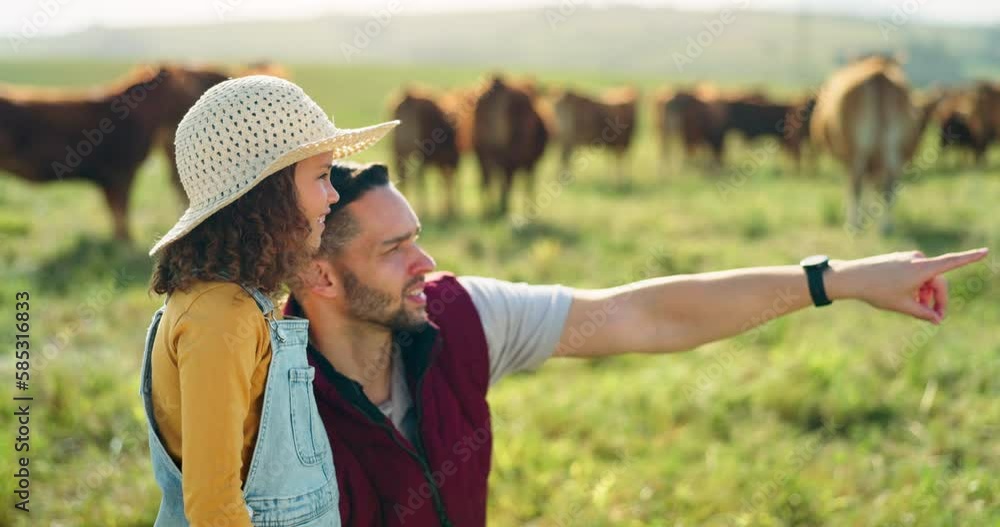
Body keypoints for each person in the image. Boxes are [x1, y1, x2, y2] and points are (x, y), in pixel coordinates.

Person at [287, 161, 989, 526]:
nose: (426, 261)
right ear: (320, 273)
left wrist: (839, 280)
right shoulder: (261, 397)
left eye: (418, 237)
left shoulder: (460, 317)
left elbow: (647, 315)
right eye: (396, 248)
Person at [139, 76, 398, 526]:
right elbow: (214, 508)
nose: (333, 194)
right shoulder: (220, 316)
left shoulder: (243, 301)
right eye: (320, 177)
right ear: (268, 193)